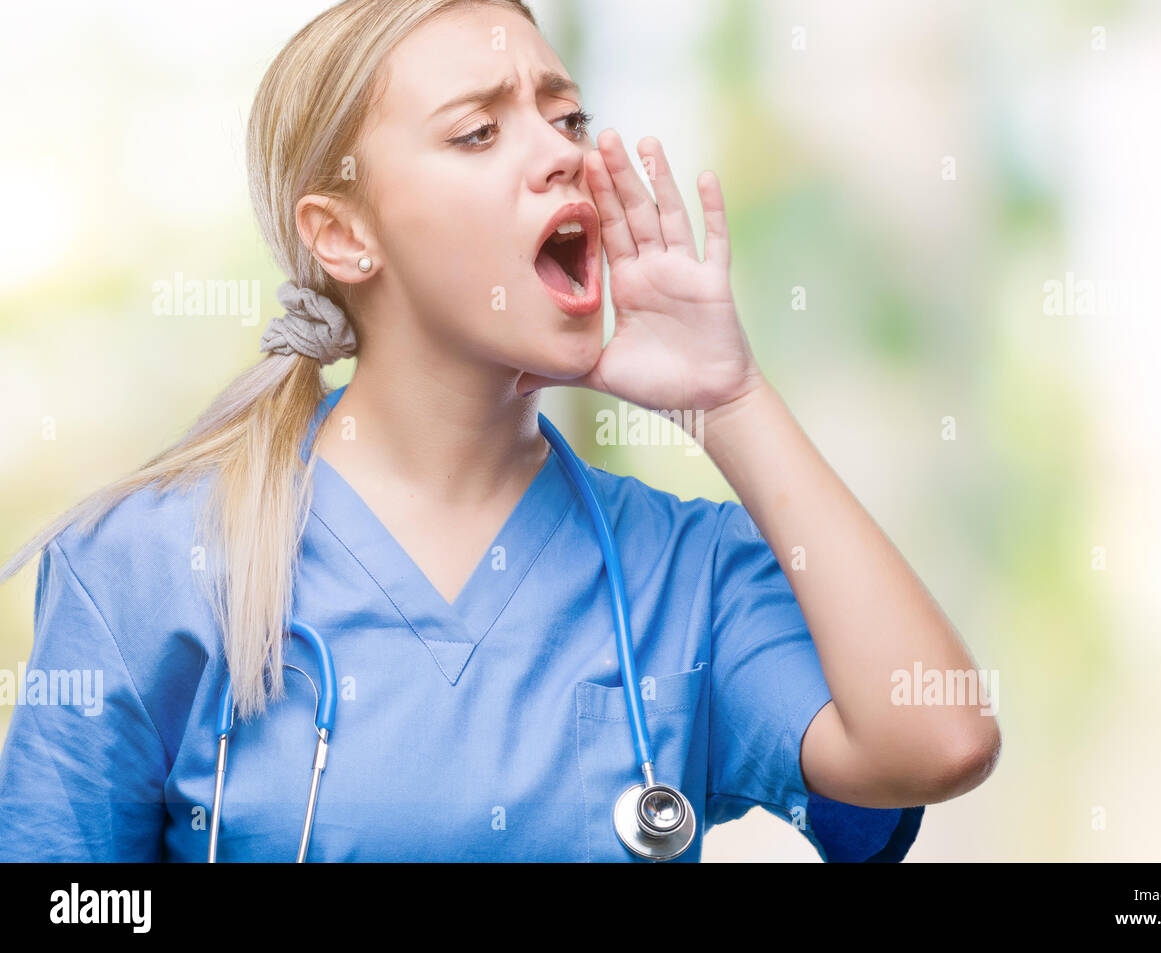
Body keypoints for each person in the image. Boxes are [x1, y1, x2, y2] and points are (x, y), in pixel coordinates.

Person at [0, 0, 996, 861]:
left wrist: (728, 401)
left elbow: (938, 739)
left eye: (566, 117)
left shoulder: (684, 572)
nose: (564, 151)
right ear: (344, 235)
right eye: (478, 132)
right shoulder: (143, 562)